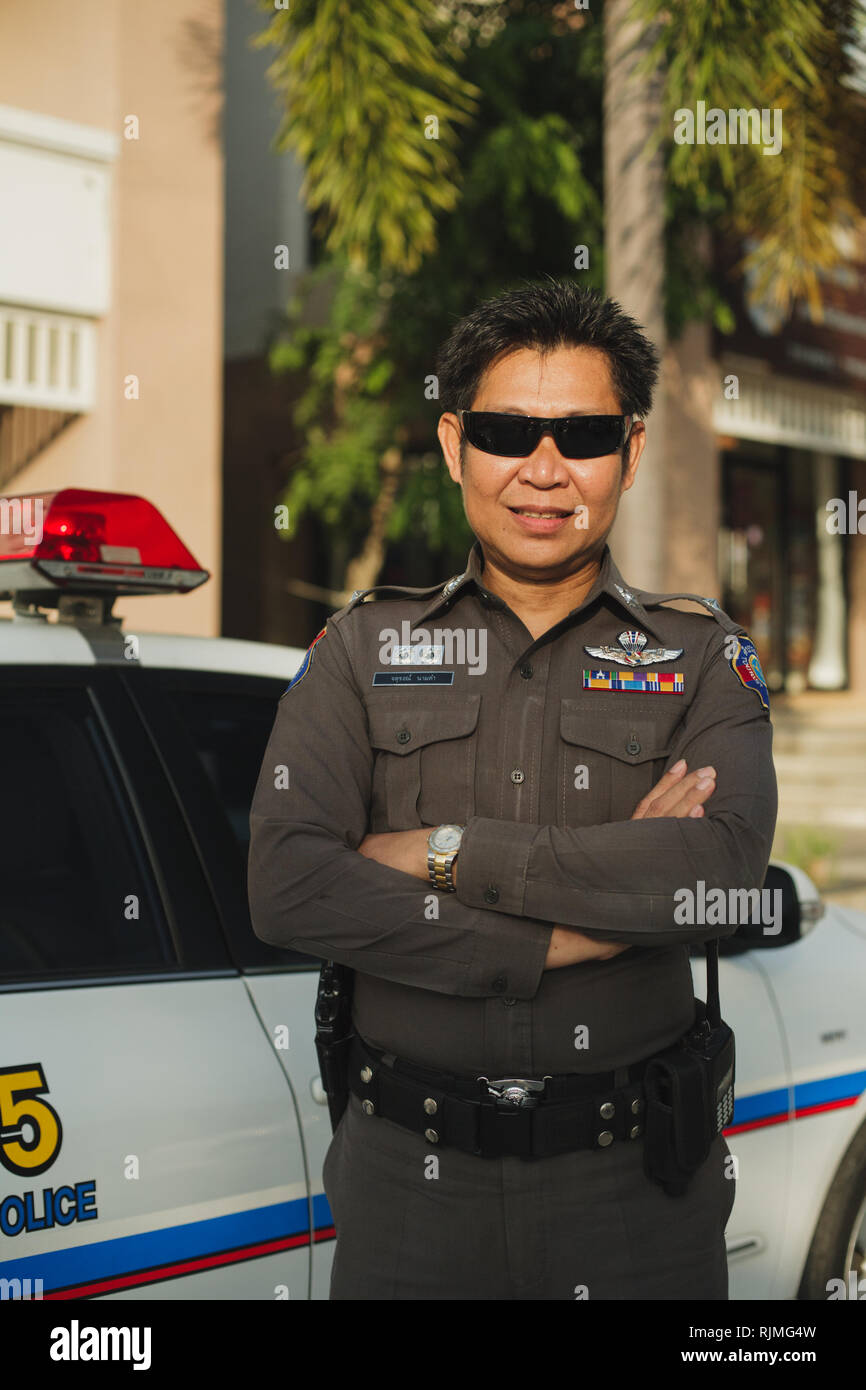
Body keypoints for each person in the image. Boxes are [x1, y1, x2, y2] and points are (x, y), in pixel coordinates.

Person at [248, 280, 778, 1301]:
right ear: (453, 446)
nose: (542, 470)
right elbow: (289, 884)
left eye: (580, 434)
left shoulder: (701, 655)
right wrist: (569, 934)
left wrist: (440, 851)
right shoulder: (365, 647)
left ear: (627, 451)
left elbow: (715, 867)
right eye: (504, 431)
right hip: (409, 1190)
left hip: (633, 1200)